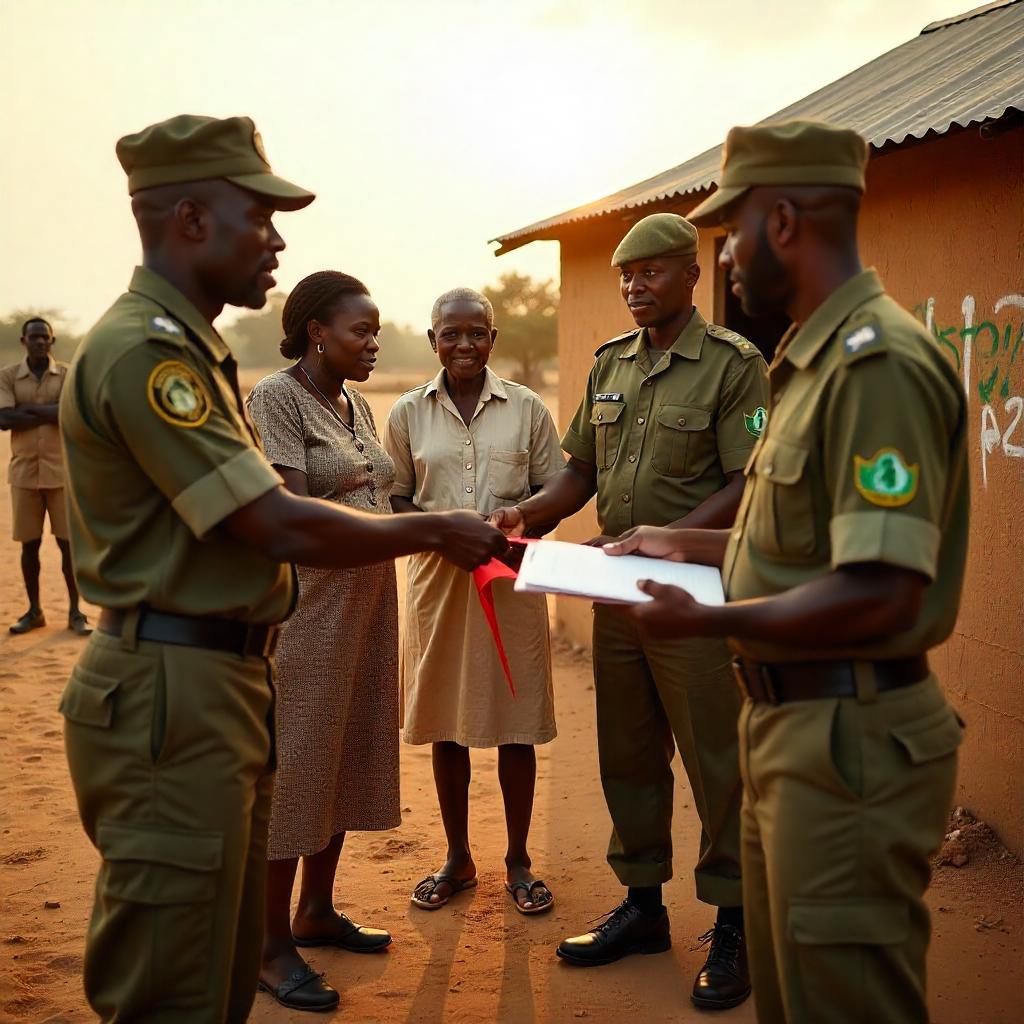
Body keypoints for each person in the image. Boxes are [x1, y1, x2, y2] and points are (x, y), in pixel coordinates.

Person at [57, 114, 506, 1024]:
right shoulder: (150, 352)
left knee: (211, 967)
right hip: (173, 685)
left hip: (216, 673)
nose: (277, 242)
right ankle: (280, 940)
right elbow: (271, 519)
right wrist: (436, 531)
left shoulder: (193, 350)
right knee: (171, 976)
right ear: (191, 219)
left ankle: (303, 920)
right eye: (258, 218)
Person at [607, 120, 968, 1024]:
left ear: (781, 222)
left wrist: (709, 621)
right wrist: (676, 544)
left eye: (732, 231)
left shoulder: (876, 366)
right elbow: (794, 545)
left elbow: (883, 588)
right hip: (791, 726)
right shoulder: (807, 362)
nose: (725, 255)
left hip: (849, 742)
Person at [491, 213, 768, 1009]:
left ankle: (736, 923)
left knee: (717, 758)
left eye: (650, 272)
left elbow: (748, 481)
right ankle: (643, 906)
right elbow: (579, 470)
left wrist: (672, 542)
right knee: (628, 750)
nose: (634, 287)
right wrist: (525, 516)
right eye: (625, 275)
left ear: (691, 274)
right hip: (615, 586)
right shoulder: (611, 363)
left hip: (692, 594)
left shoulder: (733, 365)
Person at [246, 270, 398, 1013]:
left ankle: (316, 910)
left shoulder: (356, 402)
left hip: (368, 609)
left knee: (344, 753)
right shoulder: (276, 398)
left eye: (375, 333)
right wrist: (421, 530)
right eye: (360, 331)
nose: (372, 344)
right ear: (316, 331)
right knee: (298, 766)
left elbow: (377, 495)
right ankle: (269, 946)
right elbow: (295, 511)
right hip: (310, 614)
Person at [383, 287, 563, 916]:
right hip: (437, 586)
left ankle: (518, 860)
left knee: (517, 724)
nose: (464, 344)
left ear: (493, 339)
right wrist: (441, 534)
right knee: (446, 723)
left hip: (510, 584)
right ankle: (457, 858)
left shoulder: (528, 408)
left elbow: (554, 490)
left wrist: (519, 524)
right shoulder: (408, 413)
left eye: (476, 333)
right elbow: (395, 496)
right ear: (433, 340)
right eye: (451, 334)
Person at [0, 318, 90, 635]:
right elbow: (3, 419)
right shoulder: (7, 376)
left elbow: (73, 413)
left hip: (62, 474)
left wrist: (26, 410)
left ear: (52, 341)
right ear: (23, 340)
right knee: (29, 546)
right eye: (33, 337)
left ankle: (76, 612)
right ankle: (34, 611)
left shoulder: (68, 374)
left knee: (68, 546)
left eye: (44, 337)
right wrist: (52, 411)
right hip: (24, 474)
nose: (39, 342)